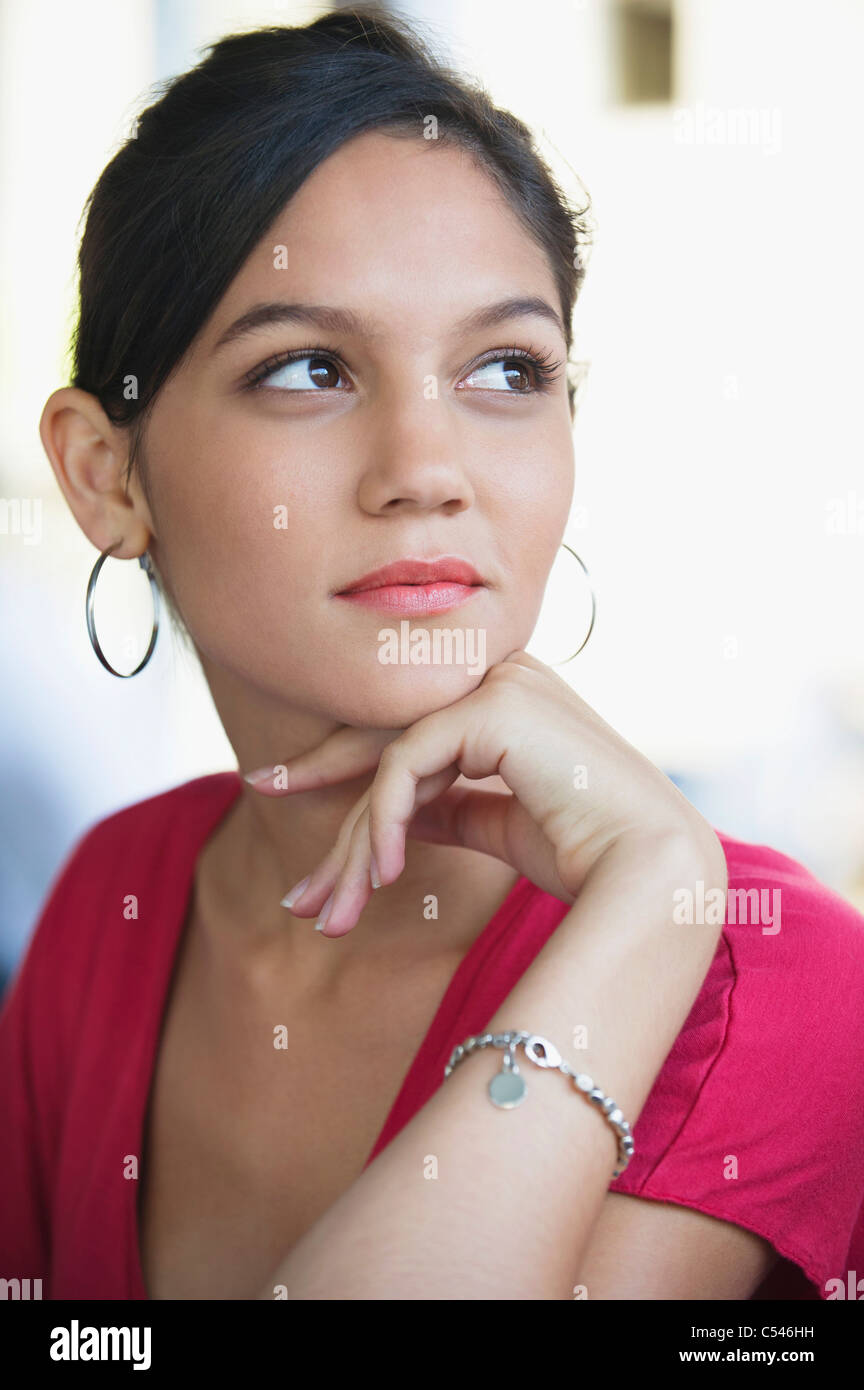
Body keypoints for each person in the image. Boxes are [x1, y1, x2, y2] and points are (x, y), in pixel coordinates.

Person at [2, 8, 863, 1302]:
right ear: (105, 472)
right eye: (308, 367)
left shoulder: (766, 969)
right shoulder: (111, 901)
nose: (428, 470)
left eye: (508, 367)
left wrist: (653, 884)